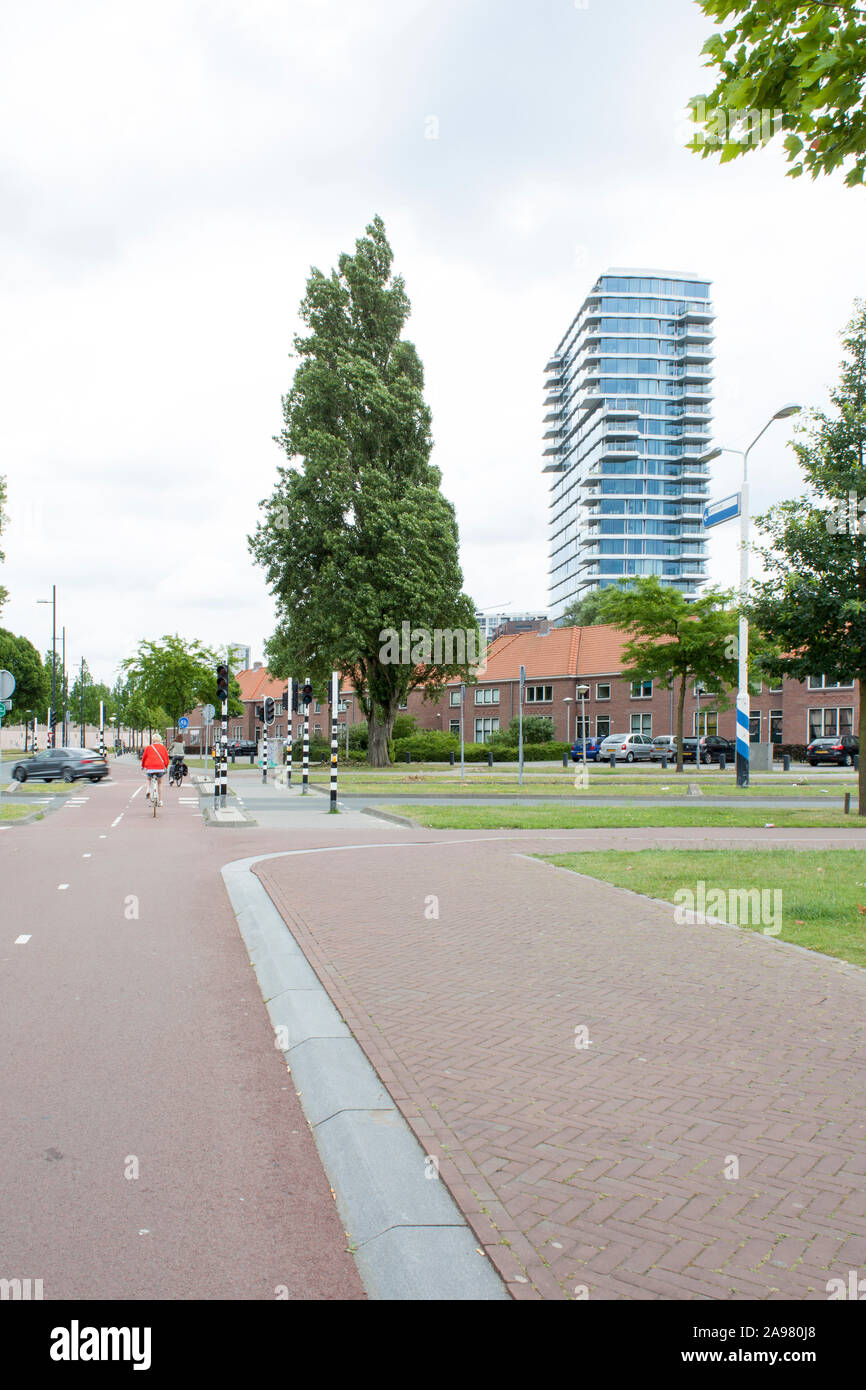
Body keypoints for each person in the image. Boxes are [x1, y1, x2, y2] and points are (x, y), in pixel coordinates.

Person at [141, 733, 170, 806]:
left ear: (152, 740)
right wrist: (166, 766)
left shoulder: (148, 747)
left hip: (150, 768)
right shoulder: (163, 748)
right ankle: (160, 801)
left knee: (148, 779)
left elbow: (144, 758)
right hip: (160, 768)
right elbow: (166, 759)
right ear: (160, 740)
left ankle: (148, 789)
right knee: (160, 783)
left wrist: (143, 765)